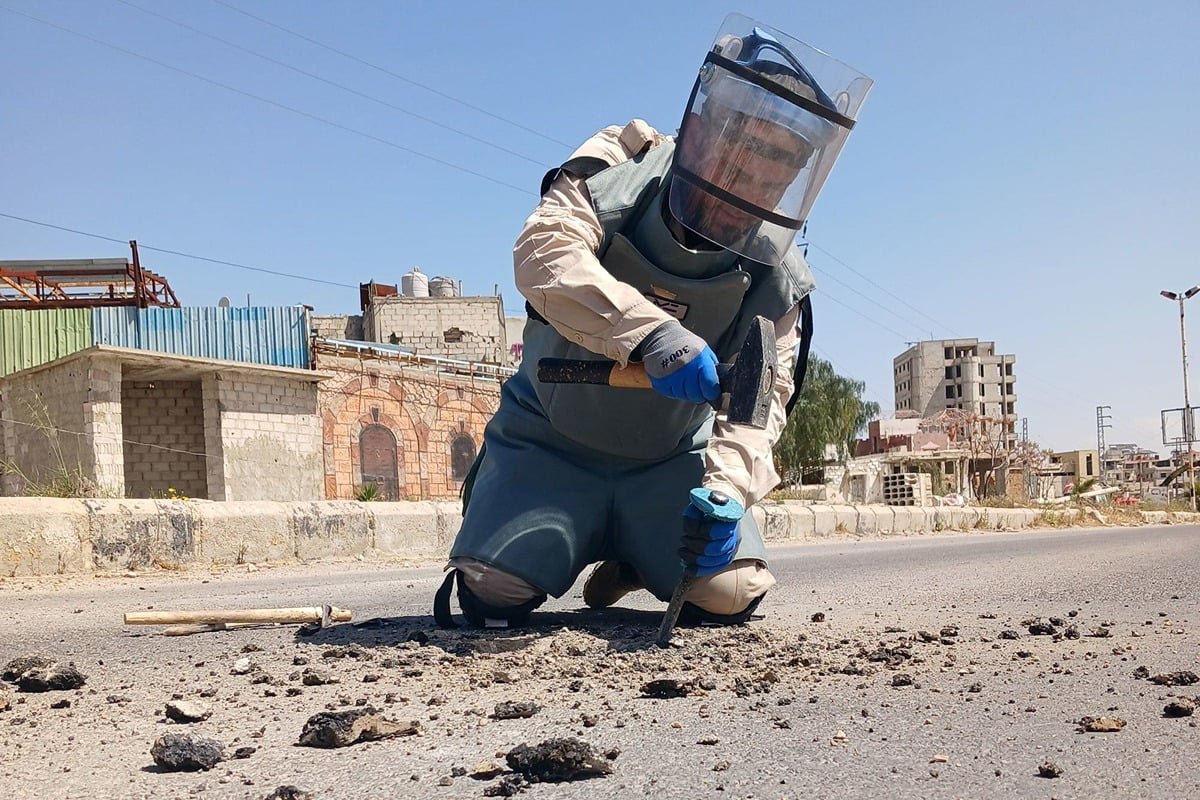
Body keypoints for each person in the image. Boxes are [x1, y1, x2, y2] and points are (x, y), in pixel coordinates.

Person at [434, 14, 871, 629]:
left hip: (668, 461)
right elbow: (544, 253)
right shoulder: (621, 163)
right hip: (549, 440)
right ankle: (544, 528)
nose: (753, 179)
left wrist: (725, 494)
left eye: (780, 165)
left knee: (731, 590)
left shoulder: (777, 276)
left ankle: (638, 554)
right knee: (491, 591)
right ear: (706, 128)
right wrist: (651, 333)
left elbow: (761, 403)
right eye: (747, 150)